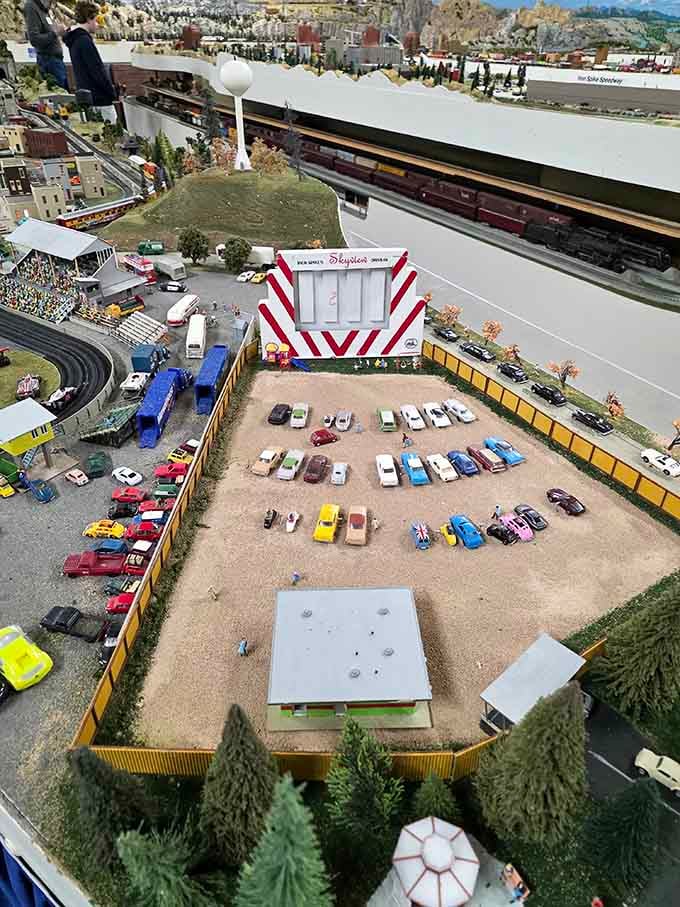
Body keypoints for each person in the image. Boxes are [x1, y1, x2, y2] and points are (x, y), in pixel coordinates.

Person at [63, 2, 117, 123]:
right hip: (99, 100)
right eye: (96, 19)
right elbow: (97, 70)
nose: (98, 24)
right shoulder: (84, 41)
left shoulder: (74, 39)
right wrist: (111, 92)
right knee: (113, 134)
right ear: (88, 19)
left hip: (87, 97)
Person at [24, 0, 68, 89]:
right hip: (49, 63)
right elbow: (34, 39)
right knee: (59, 98)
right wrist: (55, 33)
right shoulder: (31, 6)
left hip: (55, 62)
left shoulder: (45, 8)